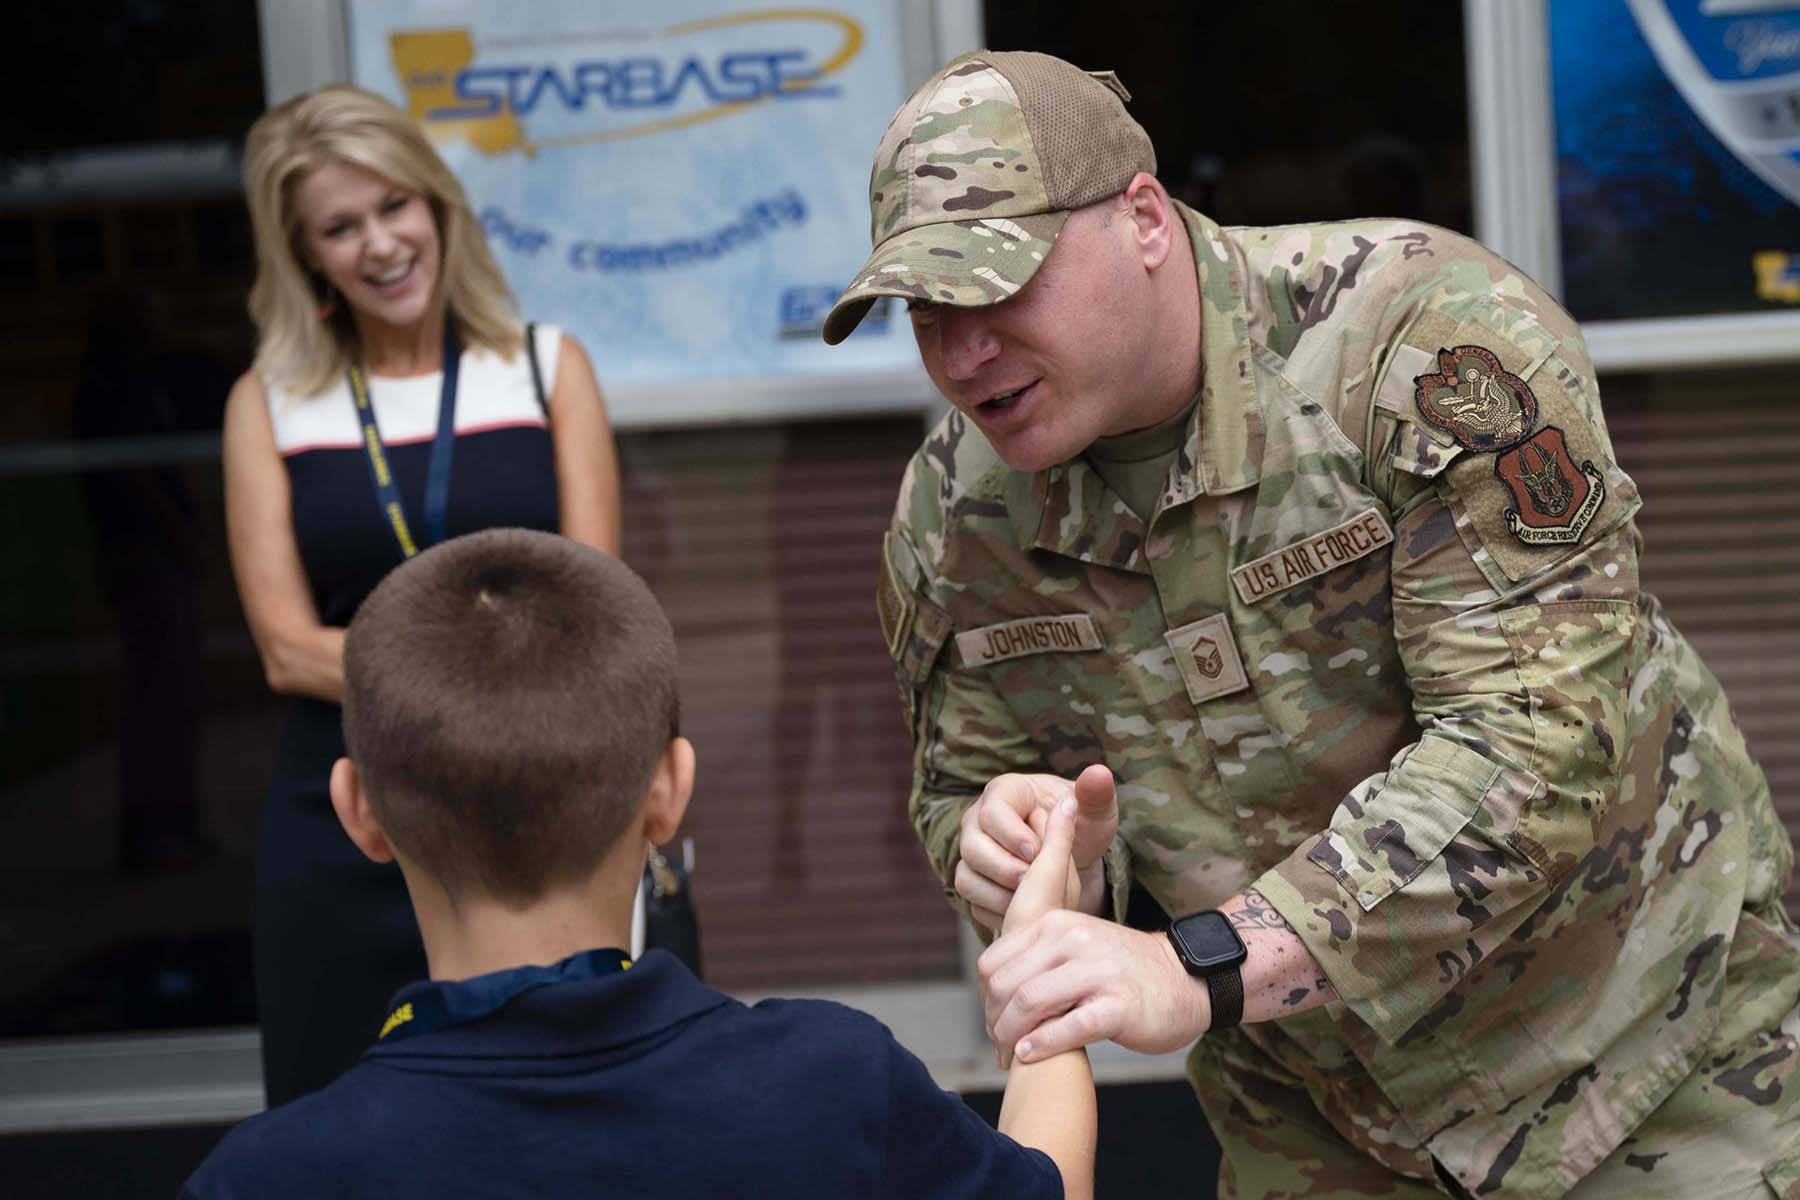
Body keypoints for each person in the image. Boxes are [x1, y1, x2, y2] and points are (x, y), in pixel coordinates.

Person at [825, 50, 1800, 1198]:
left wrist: (1199, 965)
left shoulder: (1420, 343)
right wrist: (1029, 855)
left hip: (1646, 1065)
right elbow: (966, 788)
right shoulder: (952, 514)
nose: (960, 352)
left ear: (1142, 220)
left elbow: (1535, 752)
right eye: (926, 309)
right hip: (1316, 1127)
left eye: (996, 286)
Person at [181, 528, 1095, 1199]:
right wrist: (1048, 944)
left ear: (357, 811)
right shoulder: (831, 1085)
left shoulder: (271, 1177)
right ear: (671, 791)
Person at [226, 85, 622, 1104]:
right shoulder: (269, 401)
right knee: (336, 1113)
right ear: (305, 252)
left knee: (543, 1109)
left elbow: (596, 604)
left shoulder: (542, 369)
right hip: (342, 812)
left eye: (395, 206)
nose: (380, 244)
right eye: (340, 227)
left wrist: (435, 685)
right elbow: (280, 646)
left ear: (438, 205)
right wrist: (473, 672)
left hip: (536, 805)